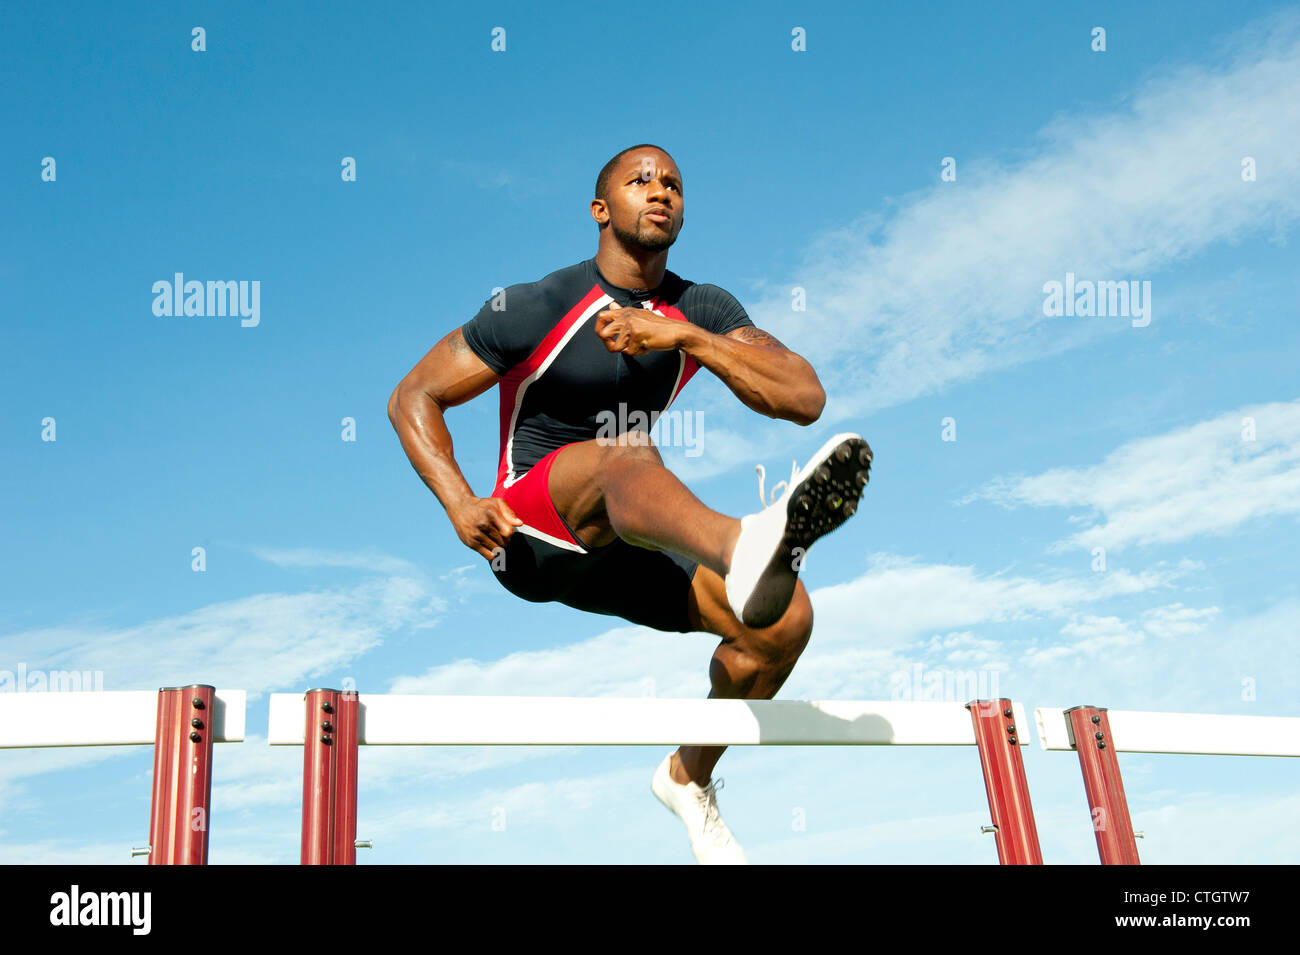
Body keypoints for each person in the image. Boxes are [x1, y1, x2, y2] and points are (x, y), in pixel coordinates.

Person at [388, 144, 871, 864]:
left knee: (782, 624)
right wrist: (459, 503)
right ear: (600, 208)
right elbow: (411, 396)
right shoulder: (536, 305)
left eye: (673, 182)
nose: (660, 191)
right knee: (625, 450)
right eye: (640, 180)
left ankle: (688, 776)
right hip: (529, 533)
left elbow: (804, 397)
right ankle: (746, 548)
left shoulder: (699, 307)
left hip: (625, 539)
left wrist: (687, 336)